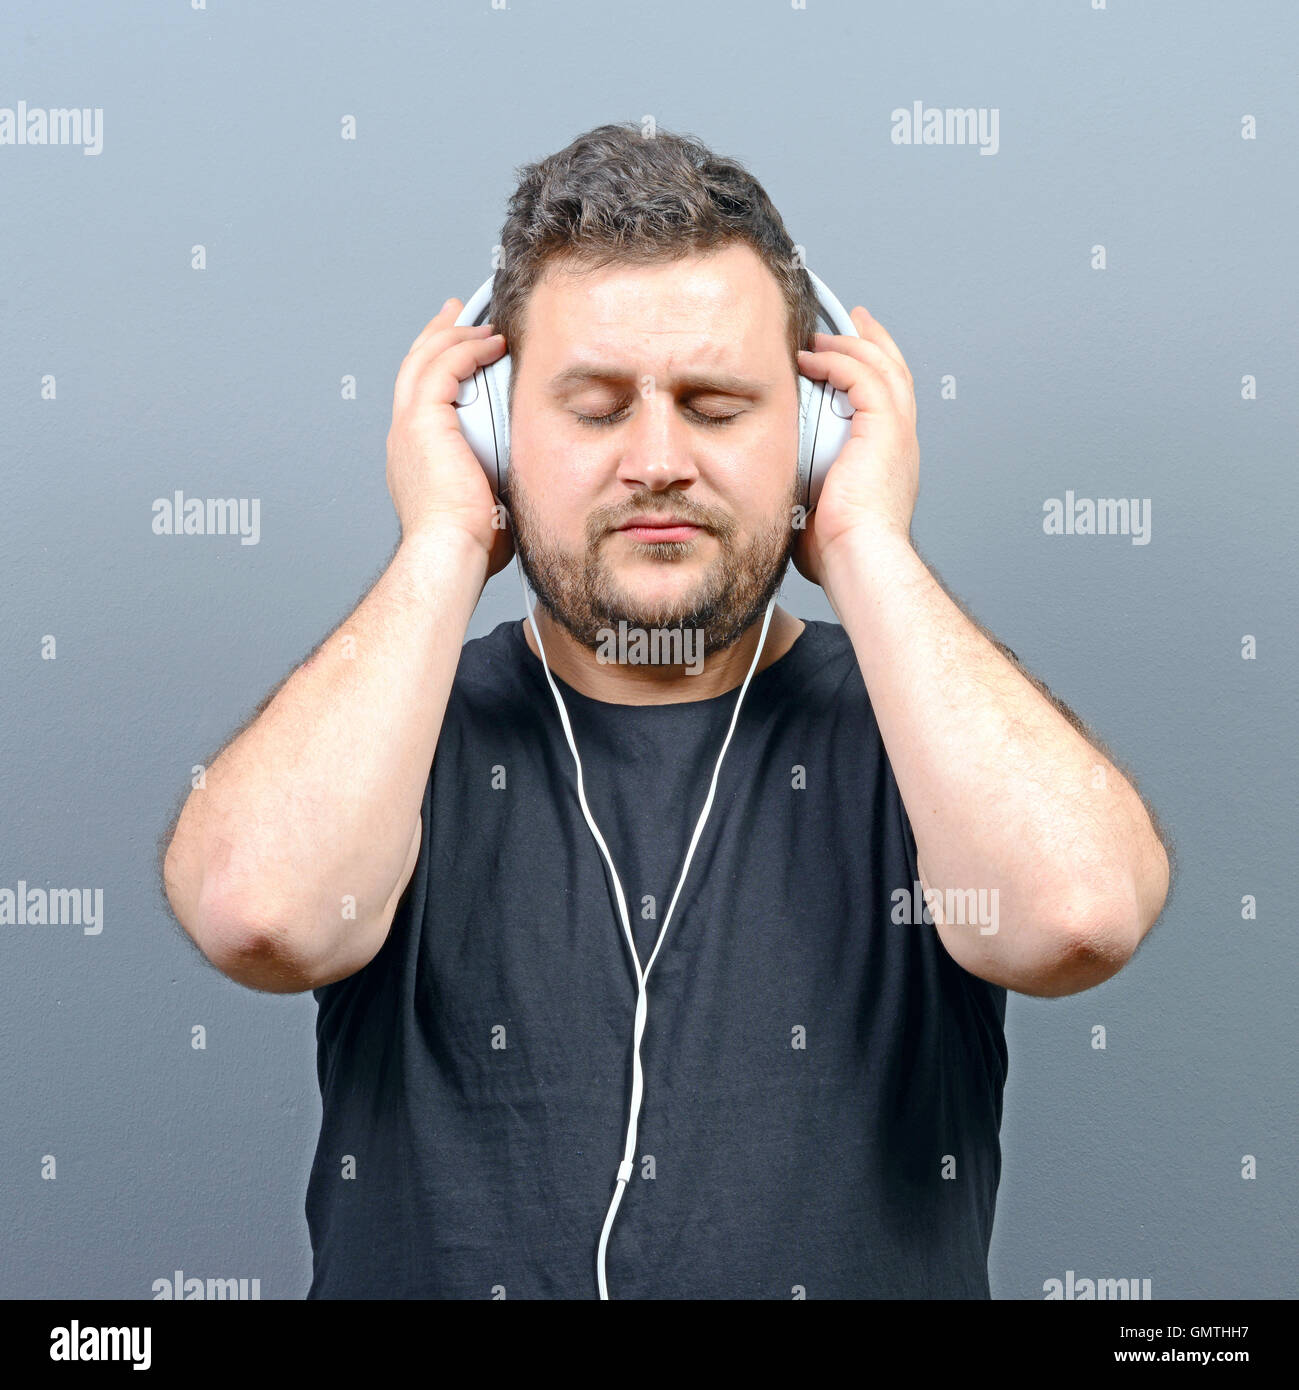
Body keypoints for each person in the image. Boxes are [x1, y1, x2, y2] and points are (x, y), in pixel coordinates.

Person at [161, 122, 1171, 1300]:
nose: (656, 459)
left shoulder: (920, 728)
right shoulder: (394, 728)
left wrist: (862, 541)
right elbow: (263, 915)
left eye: (716, 403)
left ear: (811, 432)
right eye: (593, 407)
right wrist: (443, 536)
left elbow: (1075, 918)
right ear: (490, 435)